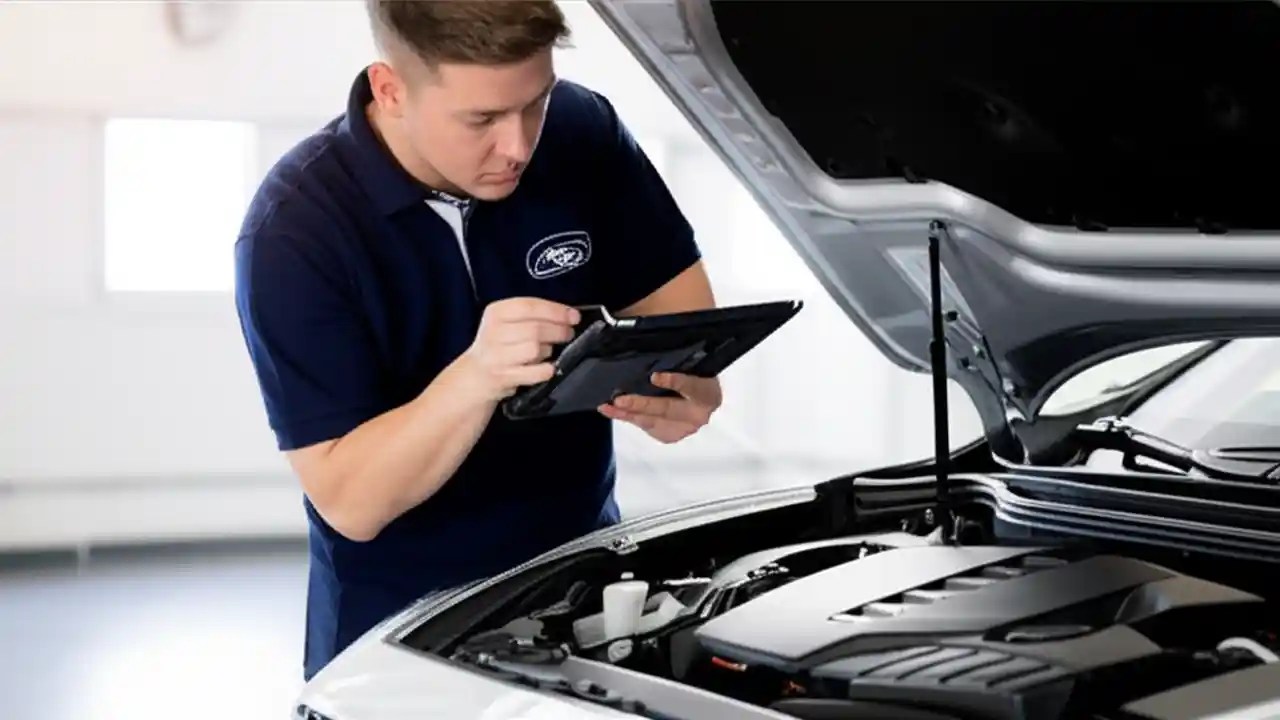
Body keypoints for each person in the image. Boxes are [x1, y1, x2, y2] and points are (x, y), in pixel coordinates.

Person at [233, 0, 722, 680]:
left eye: (536, 102)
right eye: (482, 119)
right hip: (398, 630)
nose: (519, 145)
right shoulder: (295, 231)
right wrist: (476, 377)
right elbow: (352, 502)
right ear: (390, 90)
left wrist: (682, 396)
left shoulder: (584, 134)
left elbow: (690, 339)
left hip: (581, 590)